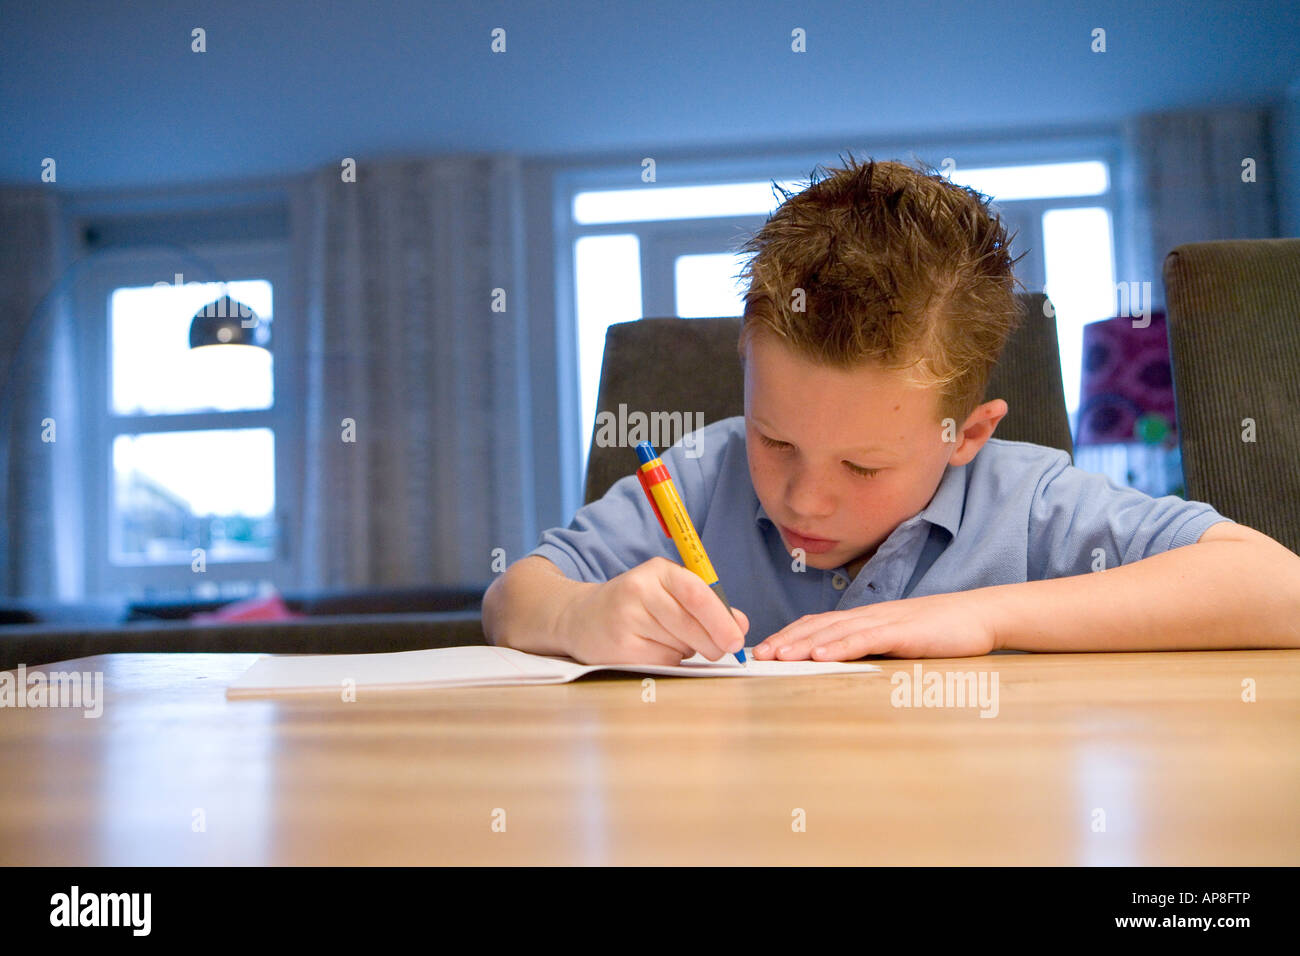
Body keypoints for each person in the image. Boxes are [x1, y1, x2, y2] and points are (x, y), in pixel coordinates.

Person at [484, 155, 1300, 664]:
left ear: (968, 434)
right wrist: (584, 614)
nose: (805, 498)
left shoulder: (1030, 504)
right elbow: (510, 600)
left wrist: (978, 616)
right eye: (775, 439)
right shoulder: (700, 479)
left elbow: (1278, 587)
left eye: (864, 464)